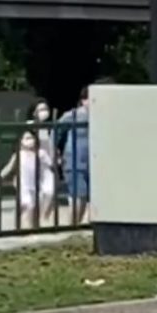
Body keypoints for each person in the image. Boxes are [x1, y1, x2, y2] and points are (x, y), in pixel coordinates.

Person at [0, 130, 56, 230]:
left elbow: (51, 167)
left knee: (32, 208)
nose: (30, 141)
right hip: (23, 185)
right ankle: (27, 229)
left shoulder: (41, 154)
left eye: (31, 138)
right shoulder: (19, 154)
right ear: (21, 141)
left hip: (36, 185)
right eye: (26, 138)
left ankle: (28, 226)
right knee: (30, 205)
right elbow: (7, 169)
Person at [58, 87, 91, 225]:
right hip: (75, 162)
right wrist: (55, 151)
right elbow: (56, 131)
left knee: (89, 200)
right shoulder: (73, 116)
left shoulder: (104, 115)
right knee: (79, 197)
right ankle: (71, 228)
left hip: (94, 163)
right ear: (83, 100)